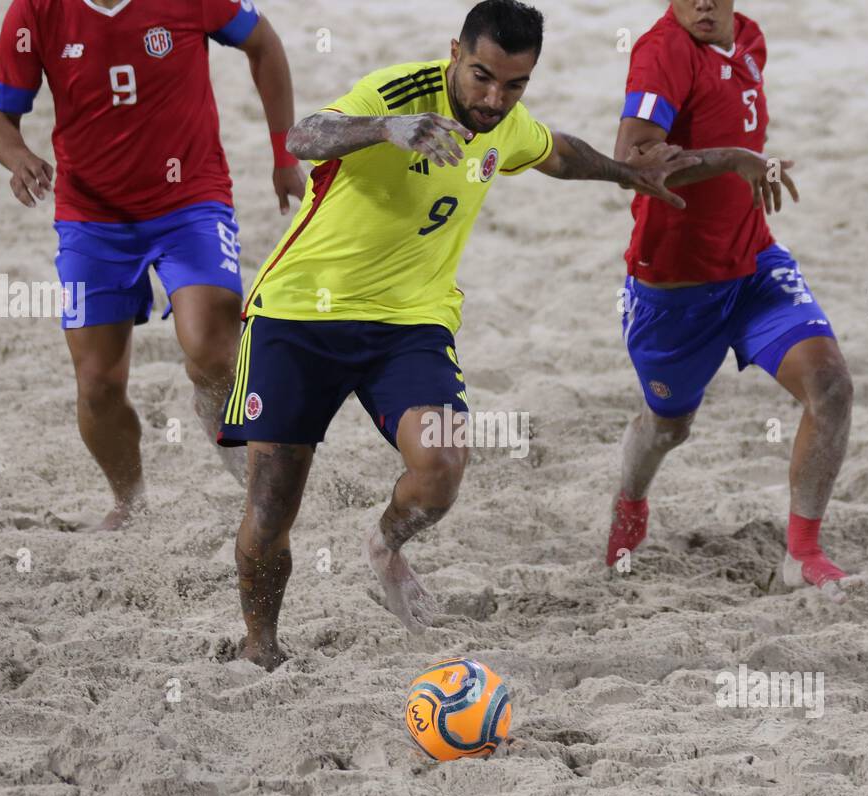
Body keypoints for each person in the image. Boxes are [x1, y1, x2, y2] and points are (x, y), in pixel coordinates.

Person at [218, 0, 699, 669]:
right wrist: (387, 128)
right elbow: (305, 137)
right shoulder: (399, 92)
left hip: (410, 323)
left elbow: (556, 152)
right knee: (271, 505)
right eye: (481, 76)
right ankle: (260, 648)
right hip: (299, 315)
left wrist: (629, 175)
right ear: (454, 52)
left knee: (442, 467)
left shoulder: (505, 123)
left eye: (514, 85)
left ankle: (385, 543)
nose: (494, 98)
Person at [0, 0, 305, 529]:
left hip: (191, 202)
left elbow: (264, 44)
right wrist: (19, 157)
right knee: (98, 385)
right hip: (92, 219)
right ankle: (129, 503)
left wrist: (283, 154)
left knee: (212, 350)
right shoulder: (35, 11)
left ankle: (240, 451)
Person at [605, 0, 855, 601]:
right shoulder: (663, 51)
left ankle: (803, 553)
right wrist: (734, 161)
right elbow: (631, 161)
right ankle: (631, 500)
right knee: (668, 427)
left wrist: (749, 166)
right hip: (675, 287)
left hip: (753, 262)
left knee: (831, 387)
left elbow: (734, 132)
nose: (704, 2)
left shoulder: (750, 41)